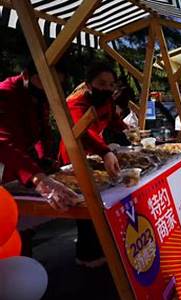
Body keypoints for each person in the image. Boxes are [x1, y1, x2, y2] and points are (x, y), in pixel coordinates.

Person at [59, 63, 127, 268]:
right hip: (73, 156)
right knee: (86, 203)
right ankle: (86, 254)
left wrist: (127, 130)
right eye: (101, 83)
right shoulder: (75, 102)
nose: (107, 88)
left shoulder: (107, 100)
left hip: (95, 156)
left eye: (110, 84)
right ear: (89, 84)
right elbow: (84, 132)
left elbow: (113, 120)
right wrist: (105, 151)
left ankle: (103, 246)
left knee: (101, 200)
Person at [0, 60, 79, 210]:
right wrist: (38, 177)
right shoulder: (5, 93)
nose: (47, 89)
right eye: (43, 82)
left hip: (22, 161)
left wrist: (45, 158)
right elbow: (4, 143)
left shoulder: (40, 96)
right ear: (26, 75)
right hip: (7, 164)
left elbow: (43, 130)